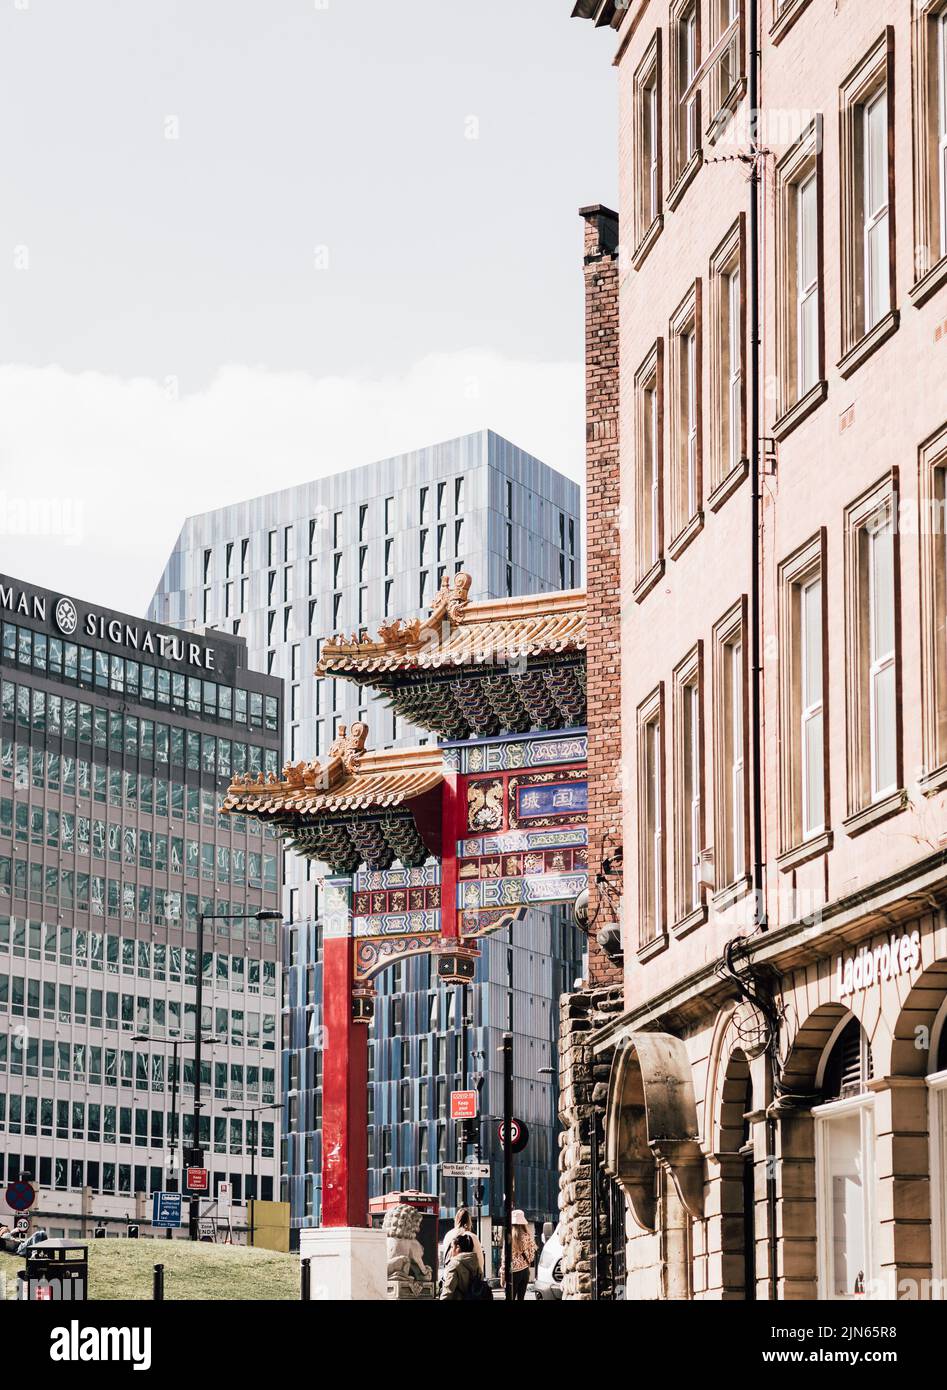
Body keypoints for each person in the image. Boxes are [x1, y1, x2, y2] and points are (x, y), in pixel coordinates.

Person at [500, 1210, 536, 1301]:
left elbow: (505, 1258)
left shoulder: (509, 1238)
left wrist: (502, 1275)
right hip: (525, 1272)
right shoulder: (528, 1237)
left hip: (513, 1273)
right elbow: (532, 1256)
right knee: (521, 1298)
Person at [439, 1207, 485, 1275]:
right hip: (468, 1279)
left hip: (451, 1276)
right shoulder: (472, 1237)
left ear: (456, 1220)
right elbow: (480, 1262)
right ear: (469, 1221)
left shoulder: (448, 1235)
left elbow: (444, 1259)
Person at [439, 1232, 482, 1300]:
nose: (450, 1251)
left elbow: (448, 1292)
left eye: (452, 1247)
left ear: (458, 1248)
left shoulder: (454, 1265)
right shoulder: (476, 1265)